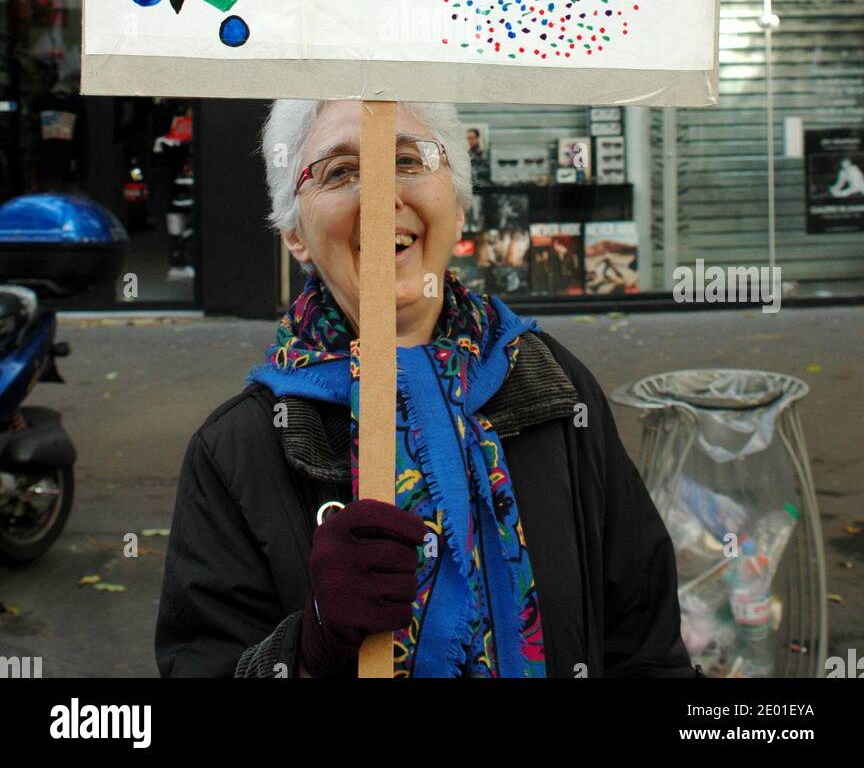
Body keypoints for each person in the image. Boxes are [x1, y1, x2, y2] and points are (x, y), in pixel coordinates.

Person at [154, 98, 700, 679]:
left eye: (409, 161)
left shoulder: (552, 386)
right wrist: (309, 648)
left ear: (459, 207)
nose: (383, 199)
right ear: (294, 234)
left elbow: (645, 647)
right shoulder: (237, 448)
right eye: (340, 172)